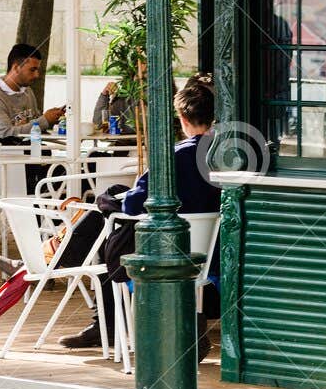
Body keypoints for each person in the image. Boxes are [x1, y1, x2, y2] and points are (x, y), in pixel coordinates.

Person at [44, 74, 221, 355]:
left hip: (166, 254)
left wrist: (109, 202)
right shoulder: (228, 154)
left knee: (108, 229)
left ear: (183, 119)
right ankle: (66, 257)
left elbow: (134, 205)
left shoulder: (173, 158)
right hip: (214, 255)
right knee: (111, 203)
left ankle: (67, 265)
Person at [0, 44, 64, 143]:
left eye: (37, 70)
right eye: (32, 70)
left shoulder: (27, 91)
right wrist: (45, 120)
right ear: (16, 68)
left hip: (30, 148)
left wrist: (51, 120)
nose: (36, 75)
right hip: (4, 152)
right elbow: (5, 135)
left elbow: (35, 126)